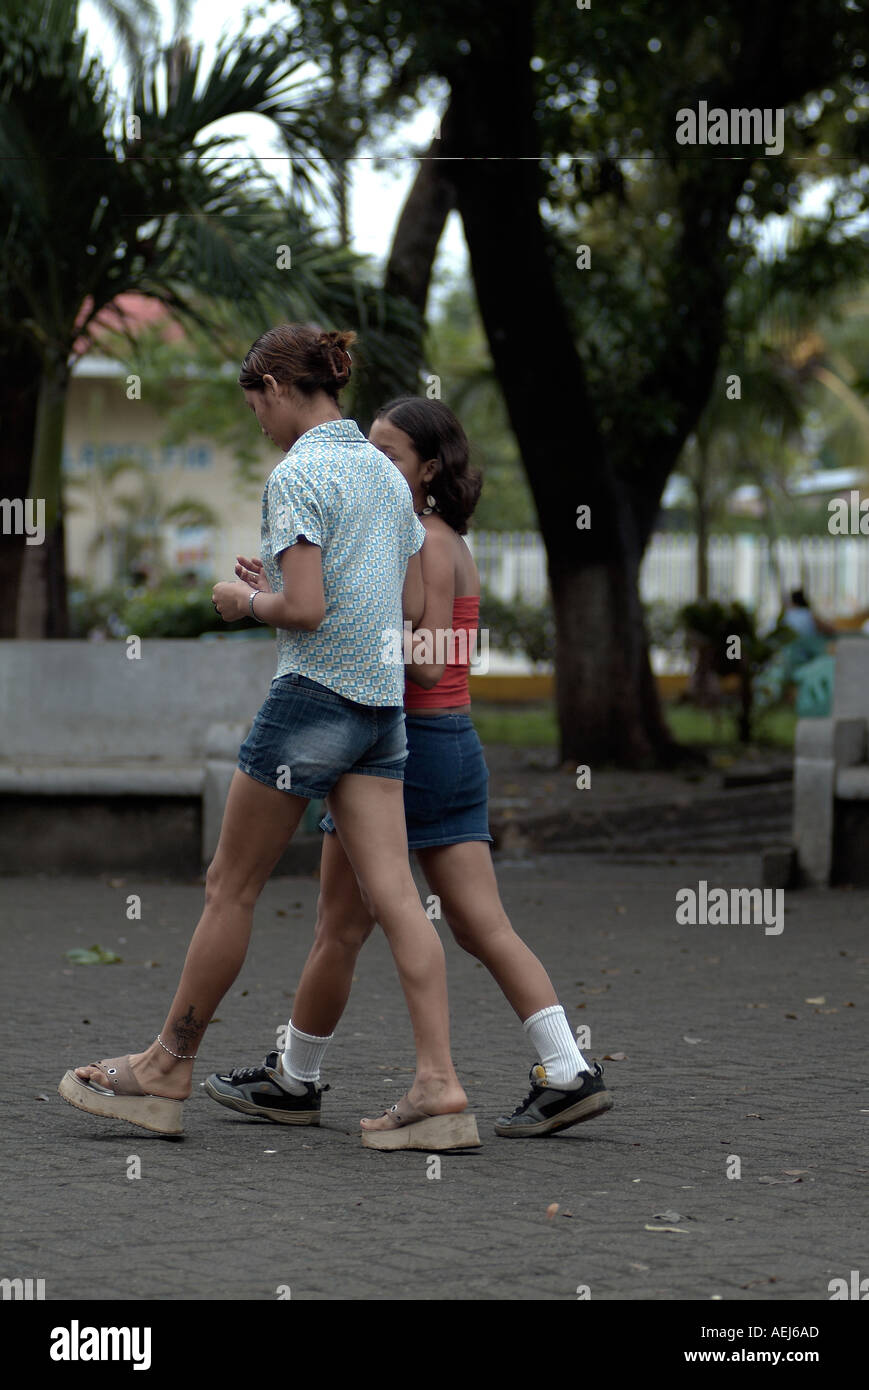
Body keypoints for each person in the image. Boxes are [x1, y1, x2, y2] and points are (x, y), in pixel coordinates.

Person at [59, 325, 477, 1152]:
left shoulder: (297, 474)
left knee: (231, 886)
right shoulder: (383, 477)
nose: (255, 419)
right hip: (380, 713)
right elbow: (402, 609)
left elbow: (311, 613)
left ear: (278, 389)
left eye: (253, 402)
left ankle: (167, 1068)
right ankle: (439, 1088)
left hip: (311, 702)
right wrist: (283, 585)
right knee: (397, 900)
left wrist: (245, 600)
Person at [205, 397, 613, 1138]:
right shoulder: (448, 537)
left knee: (338, 927)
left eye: (390, 455)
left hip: (406, 749)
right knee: (481, 925)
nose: (375, 464)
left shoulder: (416, 537)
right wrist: (288, 582)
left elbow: (425, 666)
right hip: (456, 745)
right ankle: (565, 1067)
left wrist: (306, 607)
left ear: (427, 469)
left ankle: (295, 1079)